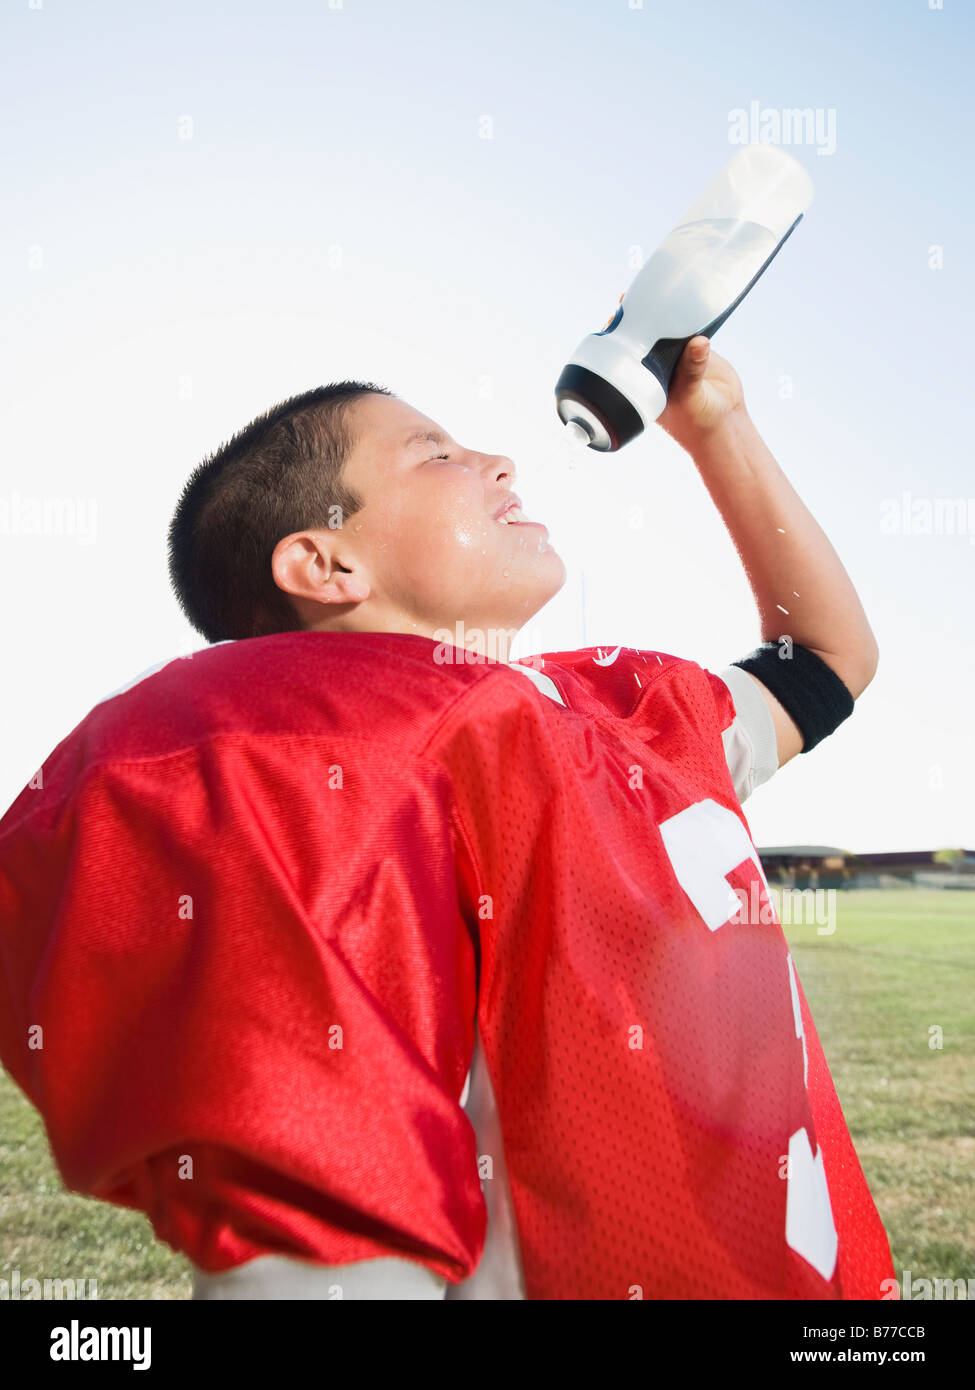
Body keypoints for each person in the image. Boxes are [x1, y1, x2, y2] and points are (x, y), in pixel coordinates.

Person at [0, 338, 894, 1299]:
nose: (498, 461)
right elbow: (321, 1252)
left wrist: (719, 430)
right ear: (325, 559)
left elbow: (826, 659)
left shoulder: (606, 711)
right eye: (434, 453)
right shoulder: (286, 751)